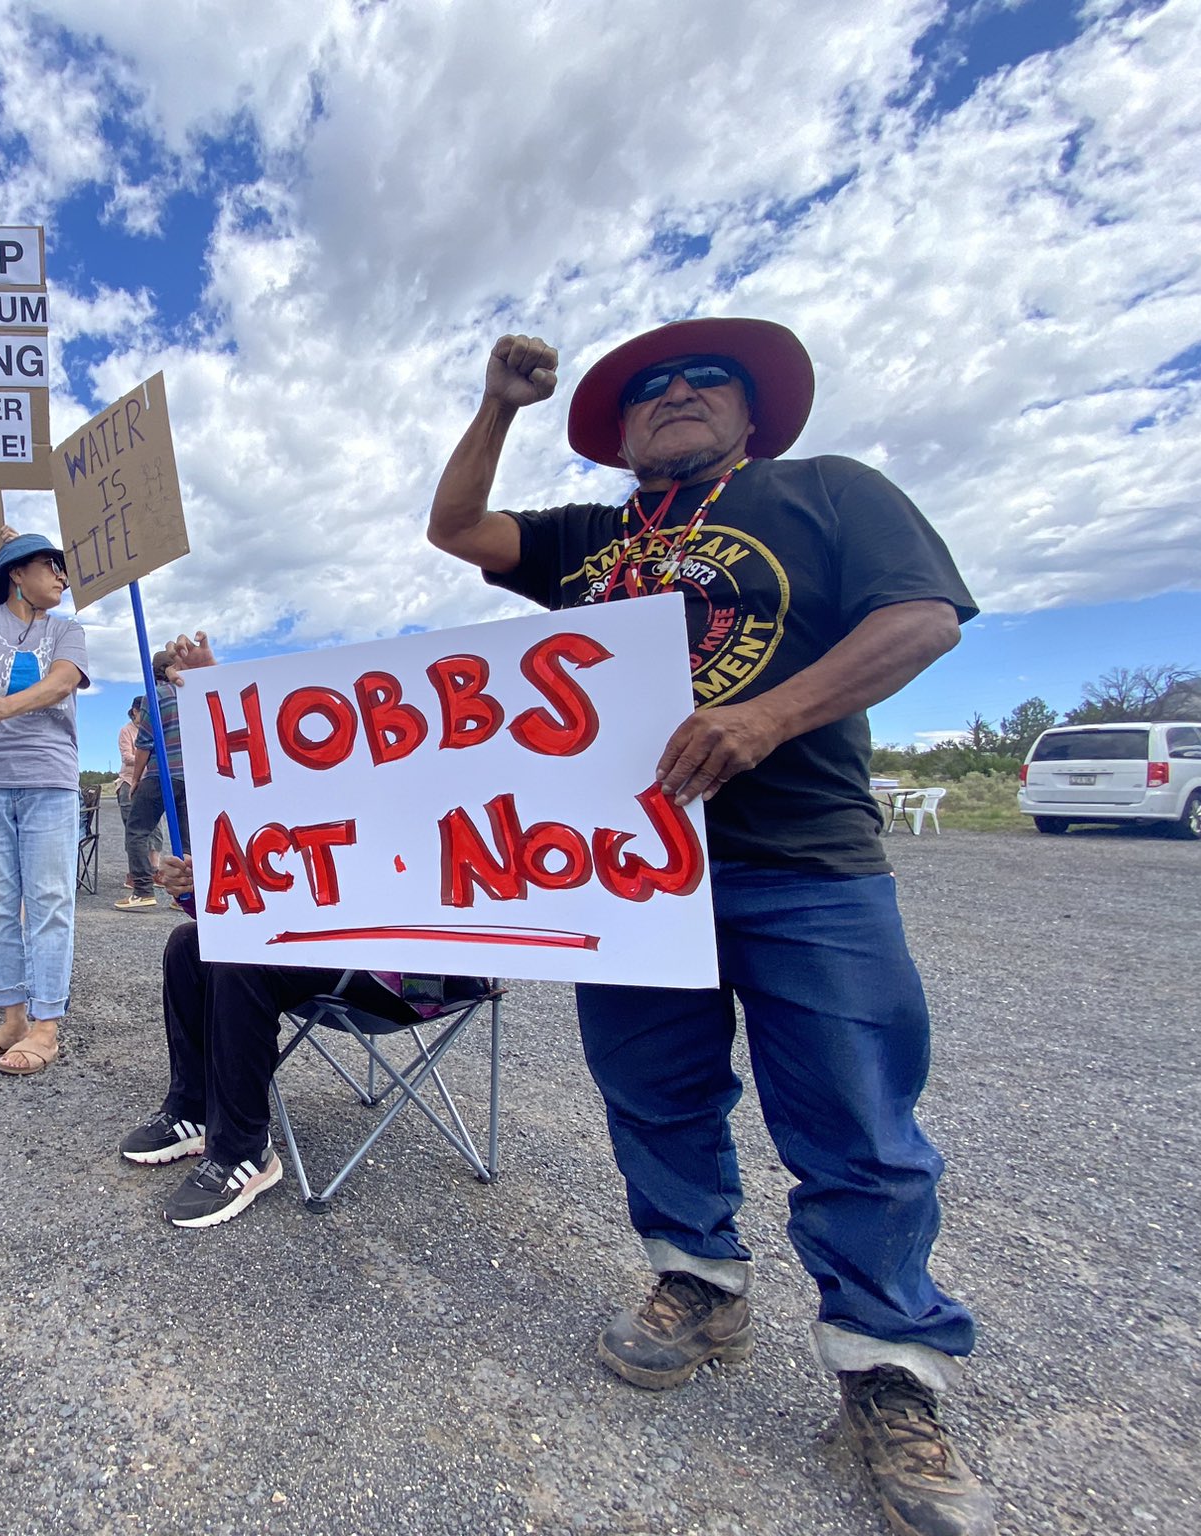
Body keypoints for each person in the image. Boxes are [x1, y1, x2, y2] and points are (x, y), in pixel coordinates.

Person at [426, 316, 991, 1536]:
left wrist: (769, 717)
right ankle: (696, 1279)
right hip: (626, 879)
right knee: (653, 1095)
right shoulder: (588, 540)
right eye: (647, 391)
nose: (674, 394)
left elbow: (922, 619)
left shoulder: (830, 492)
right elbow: (457, 530)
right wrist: (498, 407)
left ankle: (887, 1368)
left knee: (856, 1121)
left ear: (751, 412)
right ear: (620, 438)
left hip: (802, 865)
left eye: (703, 381)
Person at [117, 632, 488, 1228]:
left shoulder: (443, 794)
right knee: (192, 943)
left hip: (418, 976)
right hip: (331, 954)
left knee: (243, 958)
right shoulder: (310, 800)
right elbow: (275, 900)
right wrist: (201, 893)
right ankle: (194, 1109)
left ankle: (244, 1151)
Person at [0, 530, 90, 1076]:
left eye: (61, 565)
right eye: (50, 564)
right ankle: (11, 1018)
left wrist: (3, 708)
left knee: (50, 899)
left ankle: (47, 1025)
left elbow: (61, 683)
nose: (61, 575)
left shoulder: (67, 629)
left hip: (48, 776)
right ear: (17, 575)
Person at [123, 647, 187, 903]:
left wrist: (136, 778)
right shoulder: (188, 693)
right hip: (187, 775)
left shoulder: (154, 695)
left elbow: (145, 742)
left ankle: (142, 890)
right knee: (185, 837)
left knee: (137, 830)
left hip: (160, 773)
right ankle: (184, 896)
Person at [113, 695, 160, 910]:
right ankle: (136, 876)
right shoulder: (126, 731)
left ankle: (154, 870)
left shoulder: (155, 725)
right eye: (142, 711)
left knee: (156, 831)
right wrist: (148, 755)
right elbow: (127, 756)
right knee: (134, 831)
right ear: (134, 712)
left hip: (151, 781)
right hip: (129, 782)